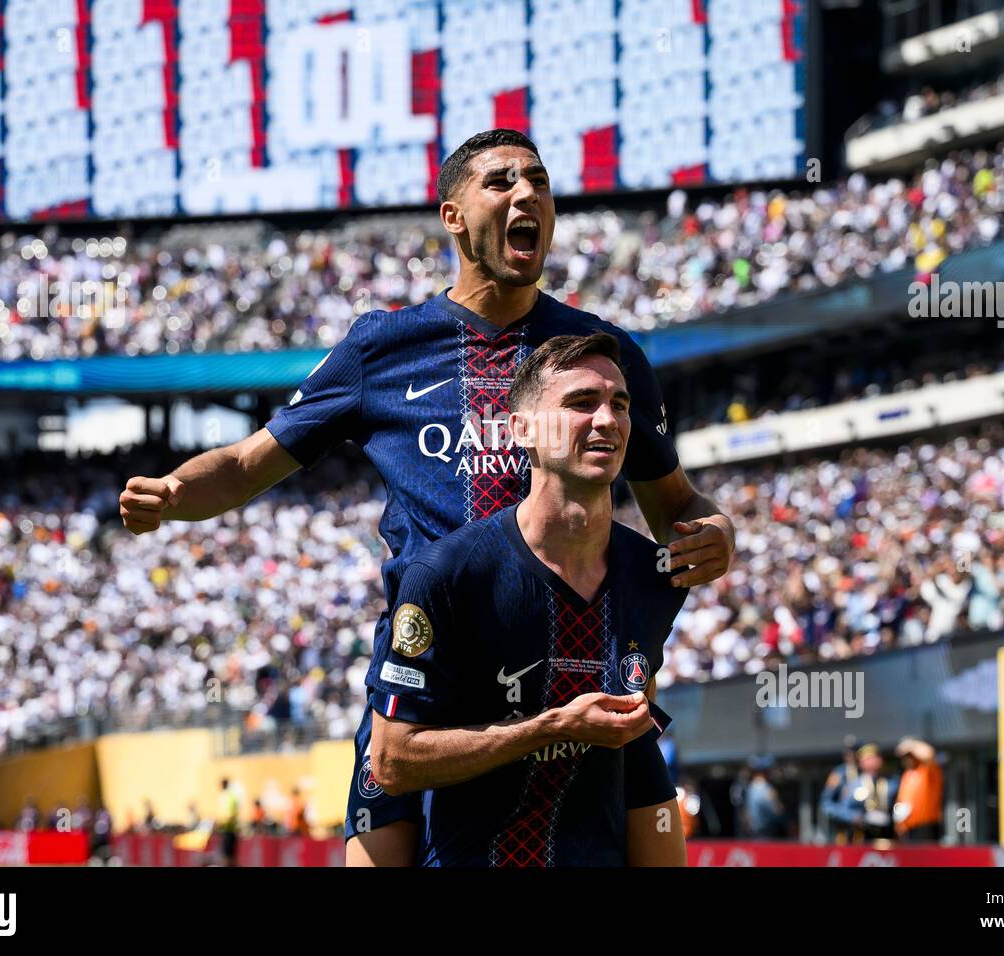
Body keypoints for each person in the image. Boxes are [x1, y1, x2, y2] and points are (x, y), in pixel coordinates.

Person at [119, 128, 735, 866]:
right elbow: (252, 461)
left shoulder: (598, 358)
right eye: (501, 182)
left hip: (576, 658)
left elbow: (677, 505)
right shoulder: (383, 348)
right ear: (452, 215)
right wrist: (173, 492)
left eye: (538, 181)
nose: (527, 194)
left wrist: (715, 532)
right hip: (429, 672)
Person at [368, 333, 689, 865]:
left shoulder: (653, 574)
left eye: (620, 404)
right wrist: (552, 727)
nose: (607, 420)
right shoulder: (445, 575)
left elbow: (637, 754)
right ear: (522, 429)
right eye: (582, 402)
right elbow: (394, 760)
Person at [834, 743, 900, 843]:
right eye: (868, 758)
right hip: (863, 831)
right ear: (861, 762)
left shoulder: (891, 781)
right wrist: (854, 817)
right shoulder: (854, 784)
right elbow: (843, 807)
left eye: (875, 757)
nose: (873, 761)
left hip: (887, 828)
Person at [893, 737, 943, 842]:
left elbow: (929, 754)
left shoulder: (927, 771)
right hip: (908, 827)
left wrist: (911, 745)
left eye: (909, 756)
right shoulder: (907, 774)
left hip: (925, 826)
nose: (906, 759)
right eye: (905, 757)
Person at [821, 735, 860, 843]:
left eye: (855, 752)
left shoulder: (865, 774)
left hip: (863, 832)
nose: (852, 755)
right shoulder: (838, 774)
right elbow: (826, 804)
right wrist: (849, 816)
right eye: (848, 752)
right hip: (843, 831)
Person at [744, 755, 788, 839]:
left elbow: (747, 815)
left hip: (754, 833)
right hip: (766, 832)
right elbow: (778, 811)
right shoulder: (767, 789)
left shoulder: (750, 788)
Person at [215, 778, 240, 866]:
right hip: (229, 829)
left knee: (227, 855)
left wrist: (221, 823)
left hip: (228, 829)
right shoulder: (229, 796)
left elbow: (231, 814)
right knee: (230, 854)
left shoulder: (228, 796)